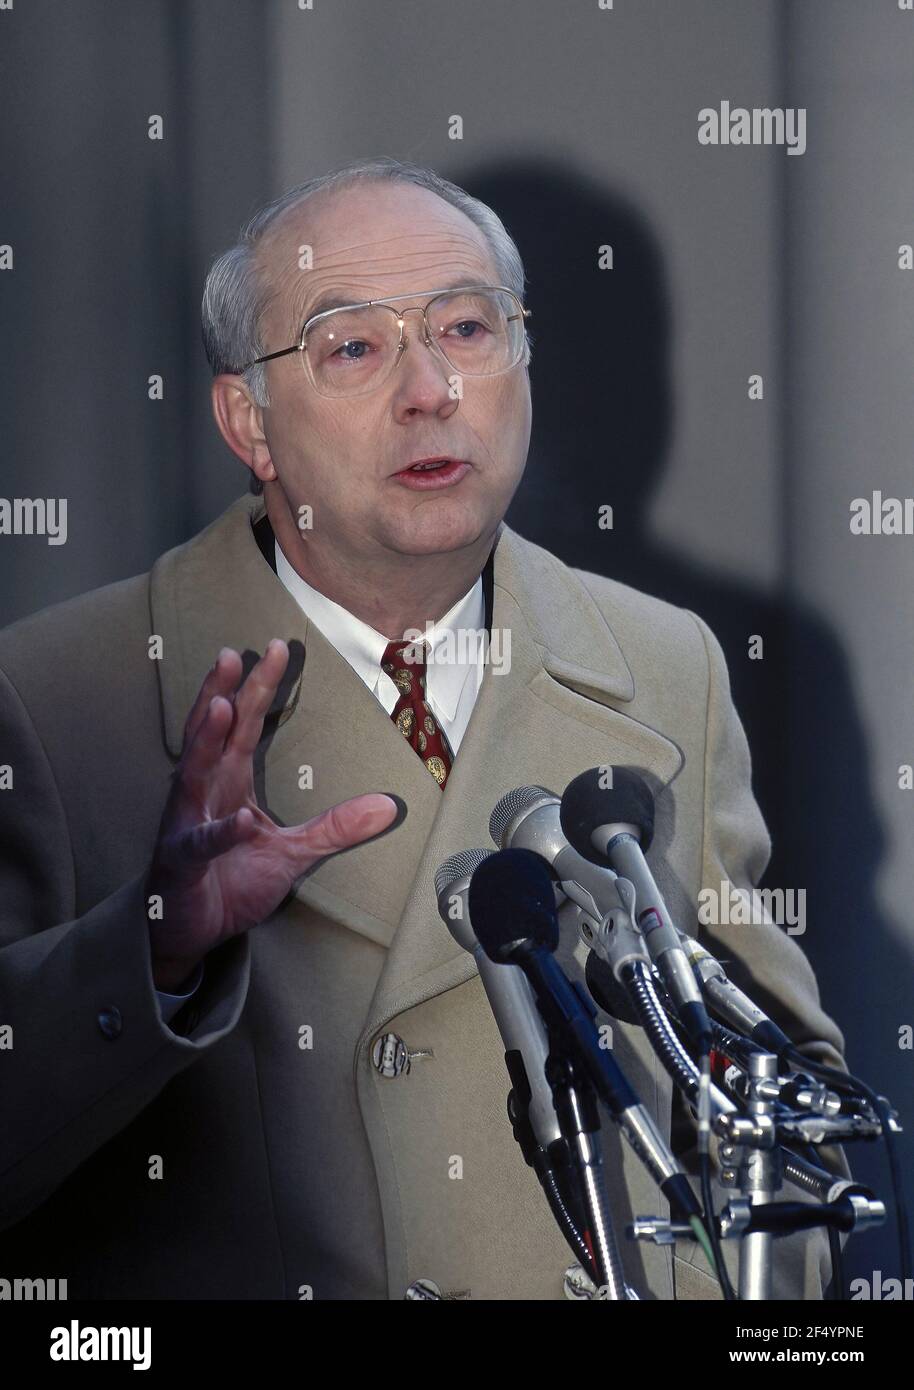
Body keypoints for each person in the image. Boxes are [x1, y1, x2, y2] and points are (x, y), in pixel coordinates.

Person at [0, 157, 846, 1301]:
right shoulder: (57, 695)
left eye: (464, 326)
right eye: (353, 347)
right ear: (249, 421)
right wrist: (150, 952)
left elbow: (775, 1092)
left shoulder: (662, 665)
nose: (432, 389)